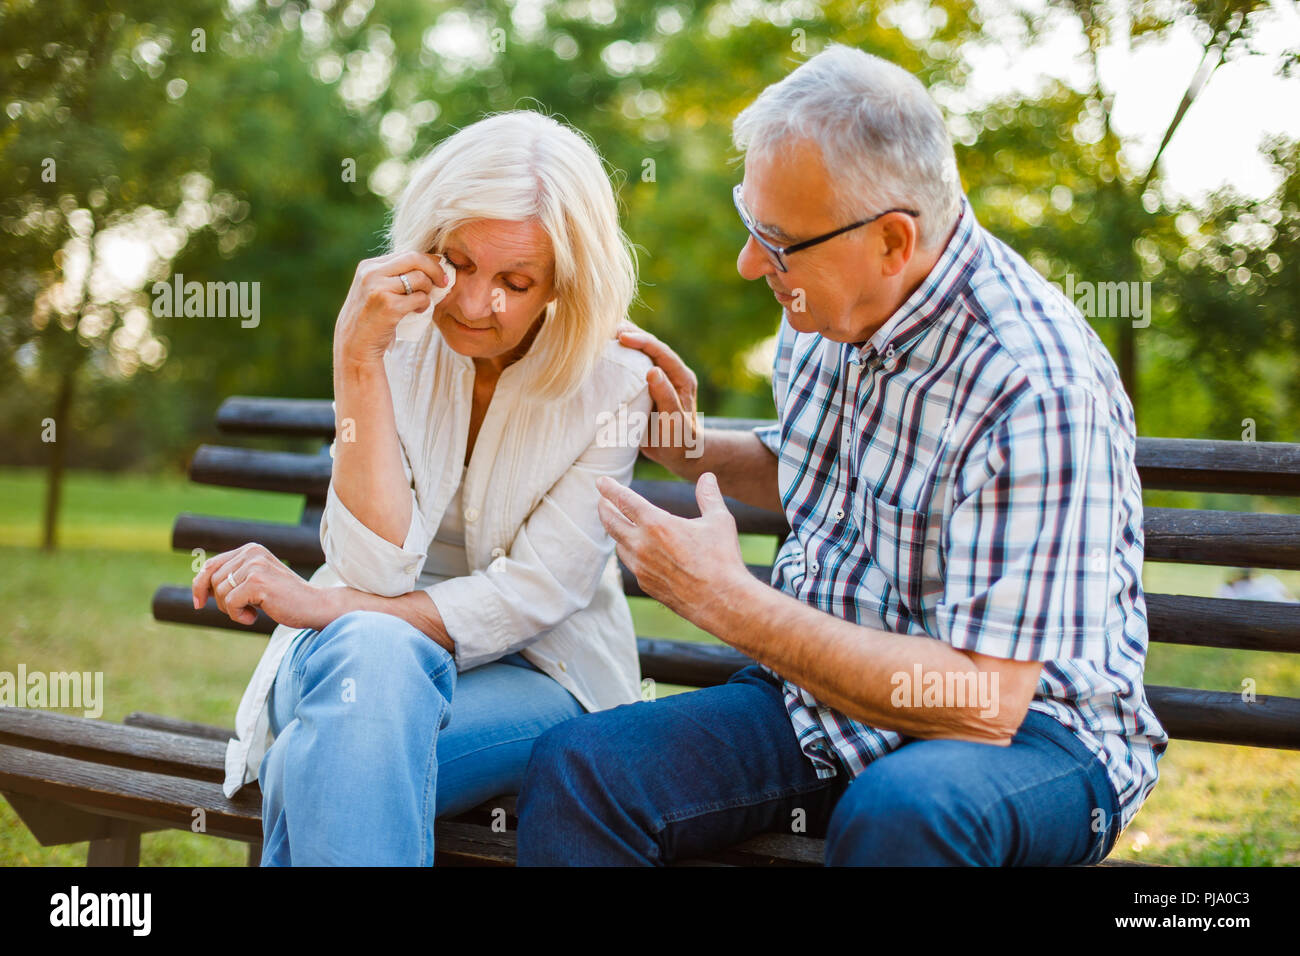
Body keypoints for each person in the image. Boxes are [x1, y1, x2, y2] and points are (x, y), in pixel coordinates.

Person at [517, 45, 1168, 866]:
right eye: (752, 225)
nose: (752, 264)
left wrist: (732, 603)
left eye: (778, 241)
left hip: (1032, 732)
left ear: (893, 241)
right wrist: (673, 440)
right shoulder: (826, 306)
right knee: (585, 771)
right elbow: (812, 475)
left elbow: (984, 699)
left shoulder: (1033, 384)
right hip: (820, 699)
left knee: (906, 812)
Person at [192, 110, 653, 866]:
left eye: (515, 281)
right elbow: (374, 570)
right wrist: (357, 359)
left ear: (565, 281)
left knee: (317, 755)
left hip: (539, 674)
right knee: (371, 659)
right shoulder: (392, 340)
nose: (474, 305)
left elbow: (535, 593)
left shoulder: (612, 384)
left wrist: (333, 605)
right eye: (460, 263)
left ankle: (319, 742)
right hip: (349, 662)